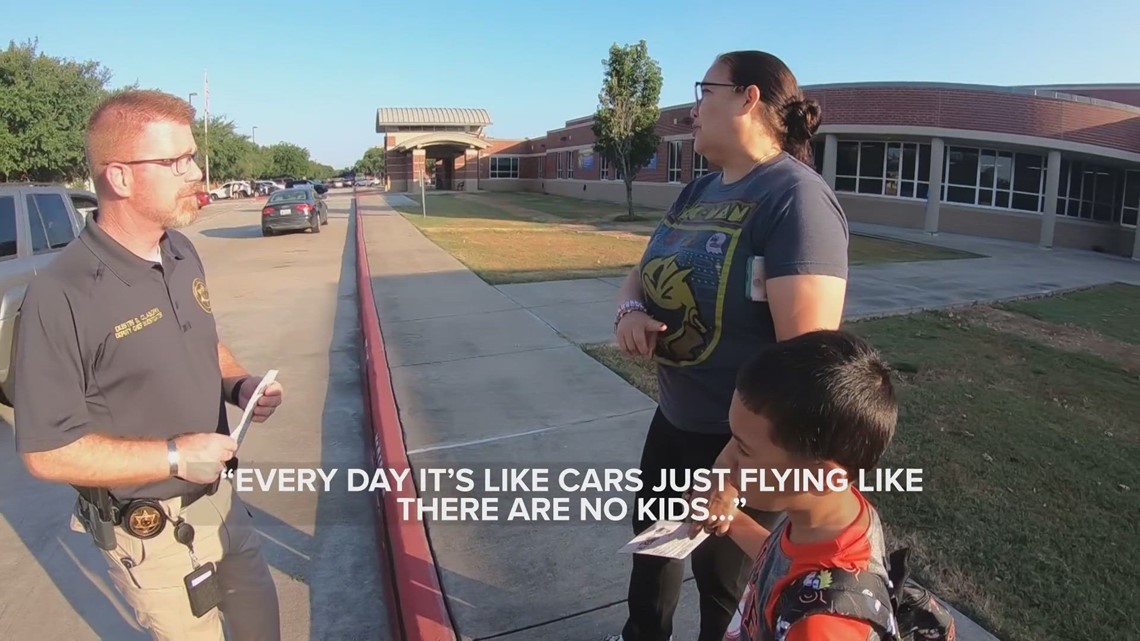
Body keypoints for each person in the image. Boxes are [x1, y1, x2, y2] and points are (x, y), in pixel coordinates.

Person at [13, 89, 285, 641]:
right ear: (120, 177)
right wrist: (175, 455)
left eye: (192, 156)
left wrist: (239, 384)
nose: (197, 171)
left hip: (226, 507)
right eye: (176, 161)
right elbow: (45, 452)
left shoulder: (181, 250)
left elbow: (205, 340)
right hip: (155, 536)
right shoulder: (60, 294)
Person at [608, 50, 850, 641]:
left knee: (728, 596)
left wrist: (733, 471)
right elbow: (641, 271)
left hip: (743, 446)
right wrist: (629, 310)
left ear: (749, 99)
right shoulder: (698, 192)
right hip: (675, 421)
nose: (693, 109)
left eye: (704, 91)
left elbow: (805, 366)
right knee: (653, 567)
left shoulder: (796, 200)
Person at [714, 329, 898, 640]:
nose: (724, 462)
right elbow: (786, 563)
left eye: (743, 449)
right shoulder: (838, 514)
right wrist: (728, 519)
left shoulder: (820, 628)